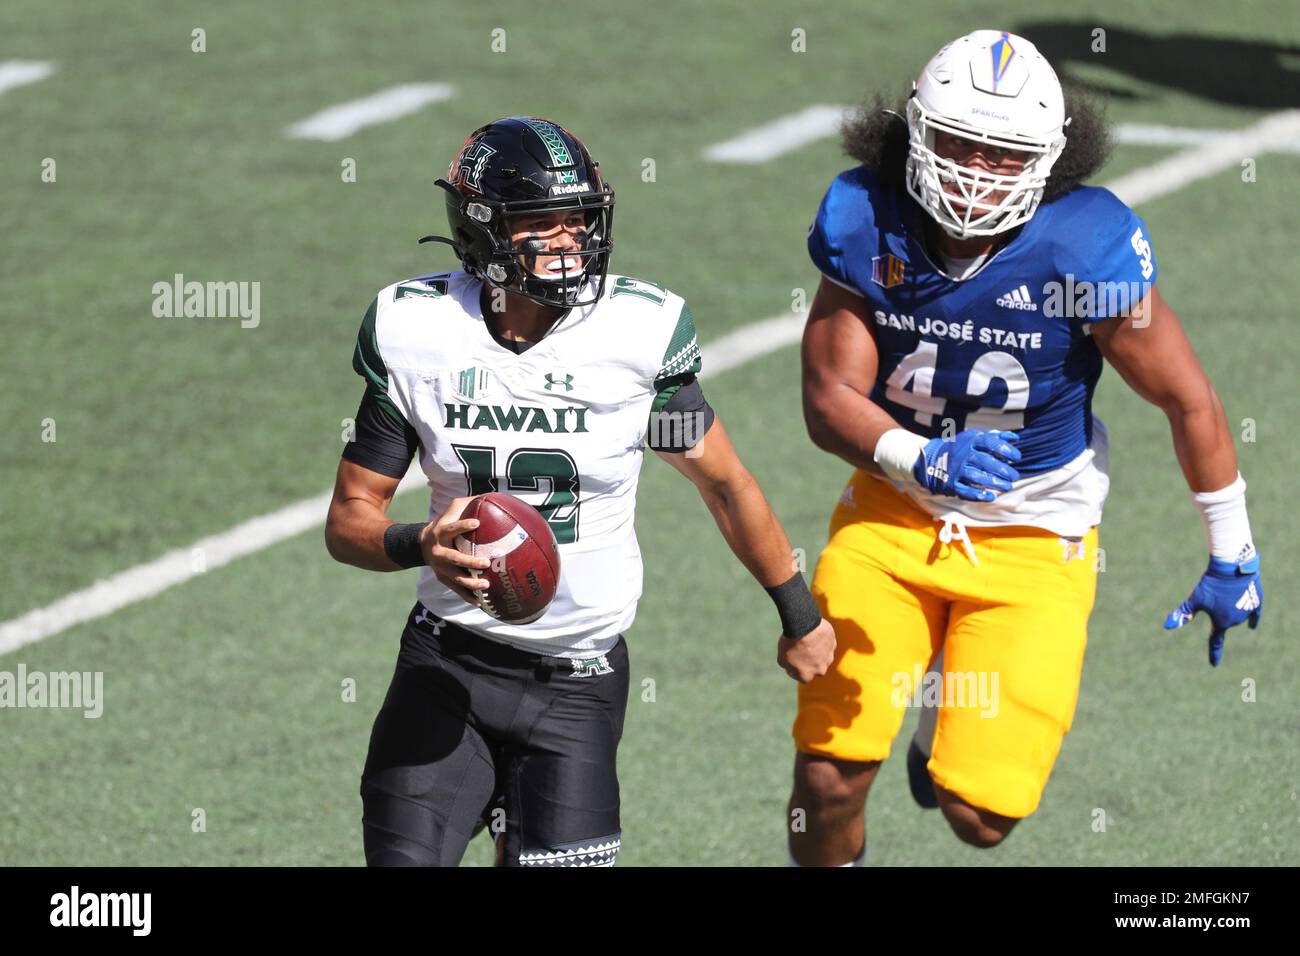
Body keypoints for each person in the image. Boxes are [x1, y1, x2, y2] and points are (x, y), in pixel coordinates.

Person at [788, 30, 1264, 866]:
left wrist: (1233, 550)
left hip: (1036, 531)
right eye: (960, 143)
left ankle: (939, 712)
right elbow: (830, 398)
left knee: (980, 817)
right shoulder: (869, 215)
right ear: (915, 134)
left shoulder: (1084, 245)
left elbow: (1187, 398)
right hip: (893, 516)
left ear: (1049, 160)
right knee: (829, 776)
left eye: (1005, 155)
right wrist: (916, 458)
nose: (976, 171)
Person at [324, 116, 836, 867]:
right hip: (445, 666)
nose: (568, 242)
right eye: (541, 224)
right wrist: (418, 543)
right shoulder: (421, 331)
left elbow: (725, 485)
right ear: (483, 228)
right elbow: (349, 520)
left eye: (579, 221)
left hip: (577, 683)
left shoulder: (630, 339)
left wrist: (798, 612)